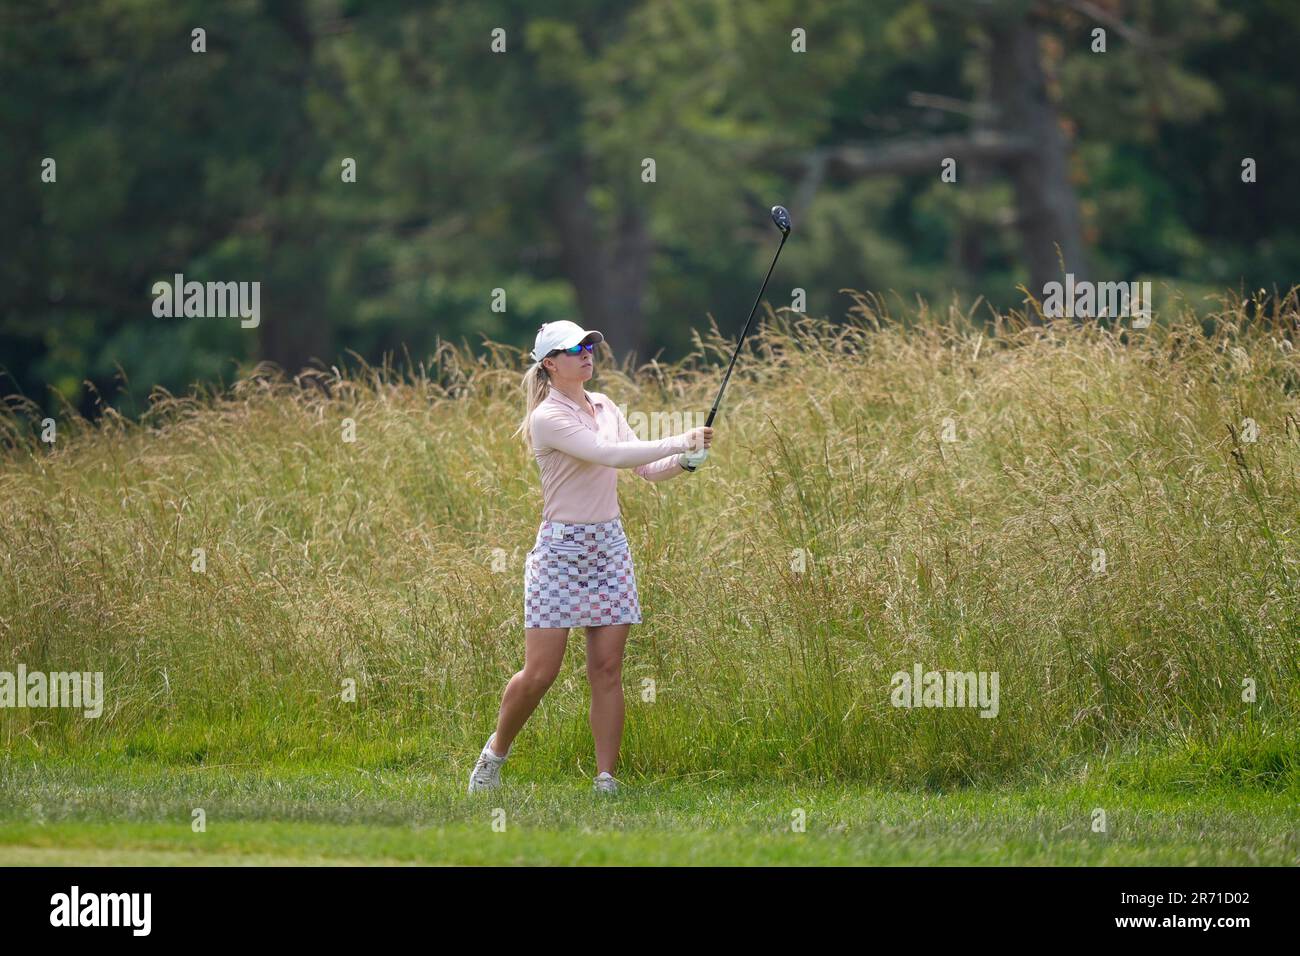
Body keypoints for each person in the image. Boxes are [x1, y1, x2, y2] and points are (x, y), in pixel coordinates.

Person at [467, 320, 712, 795]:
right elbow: (606, 454)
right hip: (559, 552)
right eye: (573, 348)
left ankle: (605, 780)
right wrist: (679, 438)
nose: (586, 353)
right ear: (549, 364)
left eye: (589, 345)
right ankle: (494, 755)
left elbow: (642, 468)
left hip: (609, 548)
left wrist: (685, 461)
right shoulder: (547, 417)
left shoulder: (603, 406)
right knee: (540, 673)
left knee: (607, 668)